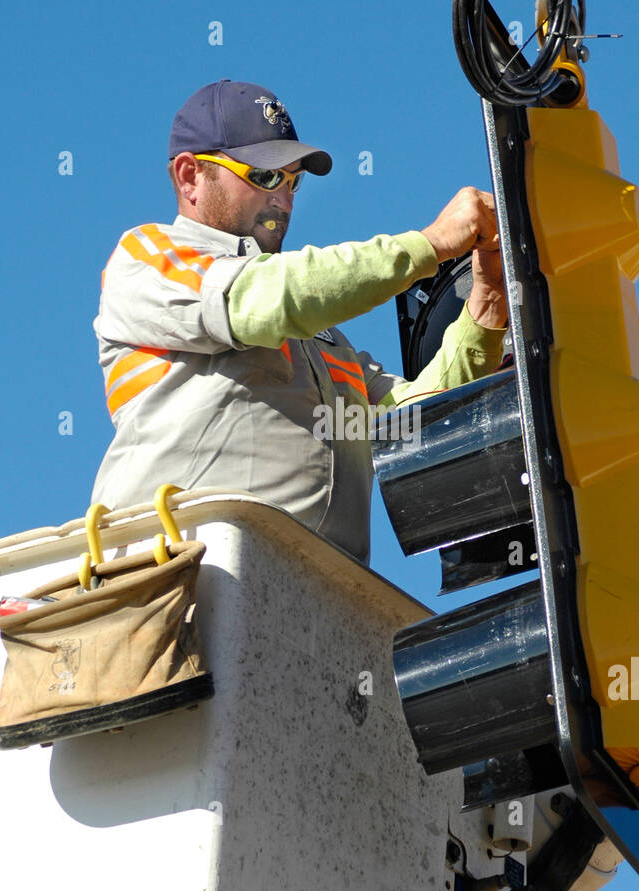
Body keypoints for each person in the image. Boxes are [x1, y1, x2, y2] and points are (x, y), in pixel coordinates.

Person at [91, 78, 509, 563]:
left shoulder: (321, 340)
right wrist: (431, 245)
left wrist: (489, 302)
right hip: (183, 587)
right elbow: (266, 296)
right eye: (266, 177)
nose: (284, 201)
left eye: (293, 181)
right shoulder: (146, 259)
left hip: (321, 606)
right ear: (189, 177)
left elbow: (410, 419)